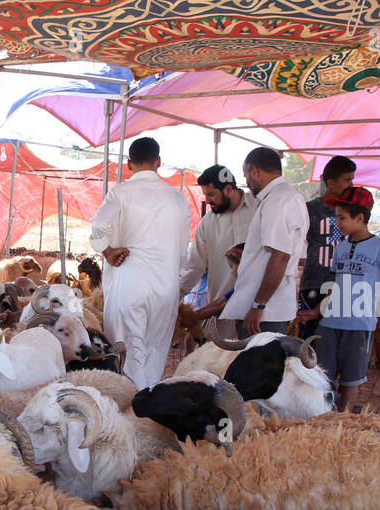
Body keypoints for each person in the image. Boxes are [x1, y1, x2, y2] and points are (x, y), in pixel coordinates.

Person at [89, 136, 189, 388]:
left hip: (130, 284)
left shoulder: (121, 192)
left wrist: (108, 251)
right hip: (166, 288)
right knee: (155, 352)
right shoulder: (177, 198)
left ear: (128, 164)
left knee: (128, 354)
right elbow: (182, 252)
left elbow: (98, 227)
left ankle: (133, 410)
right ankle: (149, 403)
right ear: (158, 162)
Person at [303, 186, 380, 415]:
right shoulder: (341, 248)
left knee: (351, 381)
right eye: (337, 216)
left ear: (360, 218)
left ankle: (342, 425)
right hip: (330, 324)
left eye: (341, 217)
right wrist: (317, 311)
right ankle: (323, 421)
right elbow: (335, 285)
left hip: (359, 326)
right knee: (323, 378)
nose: (337, 222)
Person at [220, 147, 309, 337]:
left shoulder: (279, 200)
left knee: (258, 364)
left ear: (255, 171)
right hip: (266, 308)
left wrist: (258, 305)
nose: (246, 182)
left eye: (246, 175)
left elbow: (280, 256)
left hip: (267, 311)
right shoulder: (283, 197)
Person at [179, 165, 257, 338]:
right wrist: (176, 295)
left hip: (257, 311)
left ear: (229, 189)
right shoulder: (208, 223)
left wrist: (196, 316)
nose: (207, 201)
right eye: (205, 195)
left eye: (211, 194)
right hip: (220, 315)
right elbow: (194, 266)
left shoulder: (259, 209)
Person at [299, 155, 357, 339]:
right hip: (314, 284)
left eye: (352, 179)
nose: (351, 184)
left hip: (342, 284)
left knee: (335, 341)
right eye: (347, 179)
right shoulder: (308, 210)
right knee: (309, 339)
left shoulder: (353, 213)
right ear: (330, 183)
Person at [178, 243, 244, 341]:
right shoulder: (240, 286)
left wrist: (195, 317)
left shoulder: (247, 287)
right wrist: (195, 315)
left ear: (243, 265)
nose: (231, 272)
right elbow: (221, 301)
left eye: (232, 267)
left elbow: (224, 306)